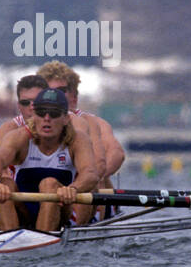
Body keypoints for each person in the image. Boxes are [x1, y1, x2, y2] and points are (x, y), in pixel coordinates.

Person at [0, 88, 98, 232]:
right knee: (4, 183)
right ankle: (8, 239)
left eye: (54, 113)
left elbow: (90, 174)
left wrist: (72, 189)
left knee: (49, 184)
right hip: (25, 212)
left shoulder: (78, 140)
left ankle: (43, 242)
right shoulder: (19, 137)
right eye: (41, 112)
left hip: (62, 210)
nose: (47, 118)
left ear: (66, 118)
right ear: (34, 116)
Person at [36, 61, 125, 224]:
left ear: (74, 98)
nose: (55, 97)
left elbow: (116, 153)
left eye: (61, 91)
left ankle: (77, 226)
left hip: (86, 192)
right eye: (49, 91)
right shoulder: (33, 123)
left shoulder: (93, 123)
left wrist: (92, 176)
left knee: (92, 175)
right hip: (48, 190)